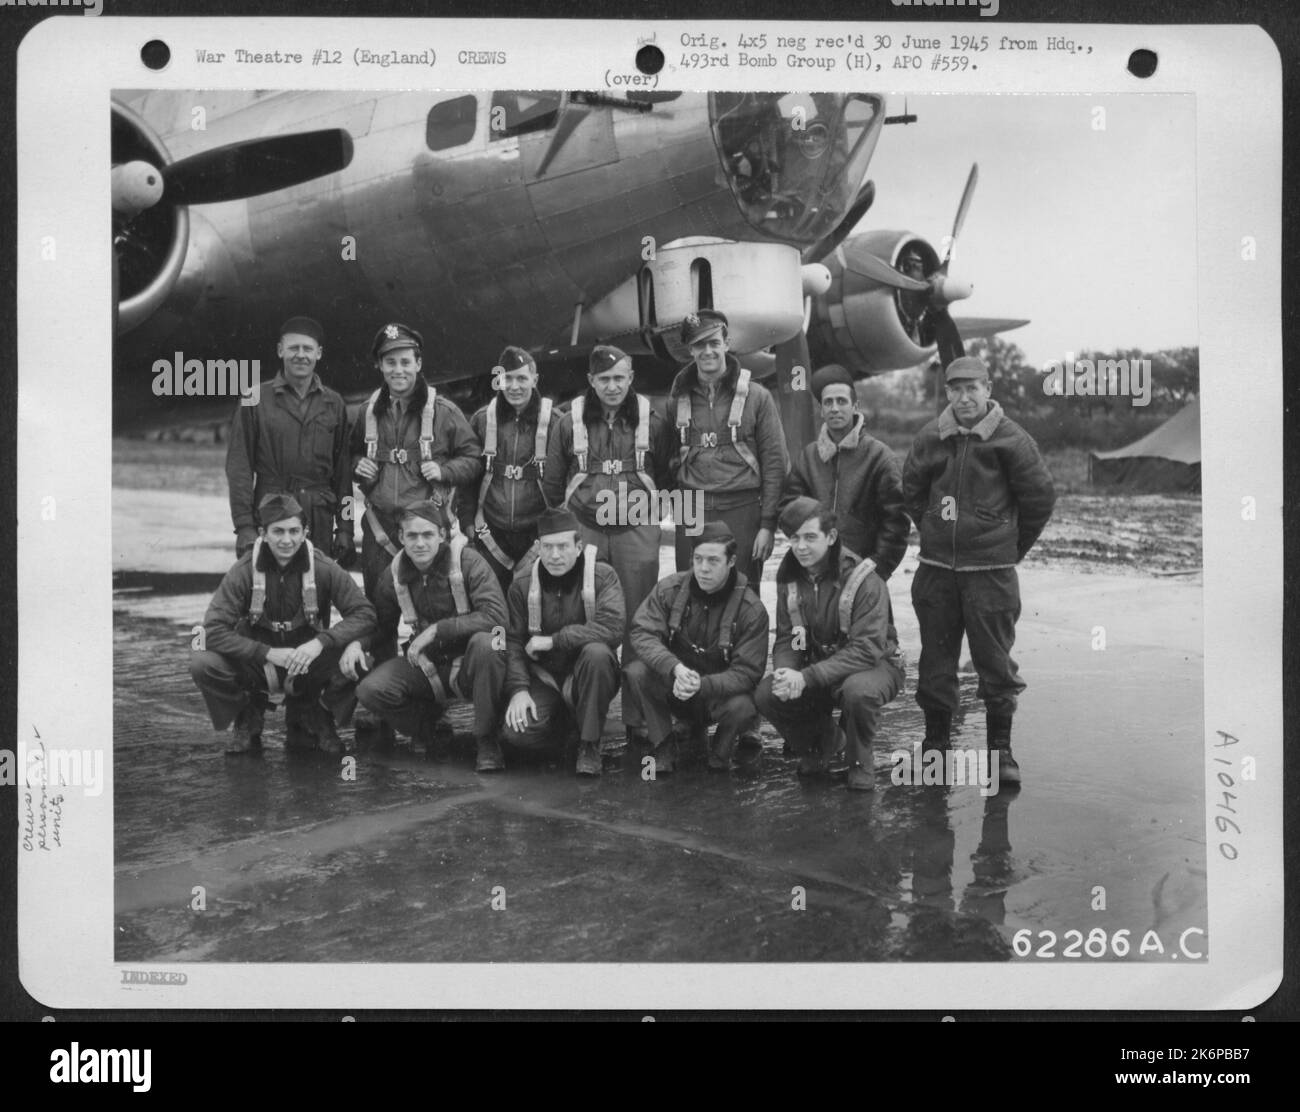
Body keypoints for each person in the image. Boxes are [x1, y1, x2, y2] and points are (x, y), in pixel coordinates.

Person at [901, 355, 1057, 784]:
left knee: (995, 664)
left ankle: (1000, 753)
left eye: (973, 388)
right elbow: (912, 492)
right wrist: (935, 529)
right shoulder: (931, 437)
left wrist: (1006, 546)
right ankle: (935, 749)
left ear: (989, 389)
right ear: (947, 393)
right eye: (956, 389)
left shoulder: (1012, 440)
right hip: (936, 572)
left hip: (991, 574)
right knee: (936, 662)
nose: (965, 397)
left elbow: (1039, 499)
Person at [190, 493, 376, 755]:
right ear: (262, 533)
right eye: (278, 531)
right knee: (202, 662)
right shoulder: (243, 571)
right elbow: (211, 631)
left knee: (362, 660)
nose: (287, 540)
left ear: (305, 532)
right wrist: (266, 653)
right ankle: (248, 712)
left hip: (307, 660)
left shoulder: (323, 568)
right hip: (257, 662)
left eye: (294, 531)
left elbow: (365, 614)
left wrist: (321, 642)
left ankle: (320, 712)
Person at [344, 499, 508, 770]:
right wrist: (357, 644)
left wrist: (437, 630)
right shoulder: (394, 573)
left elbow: (498, 619)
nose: (420, 543)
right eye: (412, 536)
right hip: (429, 665)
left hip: (471, 662)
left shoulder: (469, 561)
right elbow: (381, 626)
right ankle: (429, 731)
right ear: (401, 537)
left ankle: (486, 741)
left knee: (490, 644)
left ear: (442, 535)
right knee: (370, 689)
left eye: (428, 535)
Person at [754, 498, 904, 791]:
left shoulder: (866, 579)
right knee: (768, 692)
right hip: (820, 665)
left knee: (858, 692)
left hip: (874, 666)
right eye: (794, 538)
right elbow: (791, 637)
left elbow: (866, 649)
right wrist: (786, 671)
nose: (801, 547)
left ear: (831, 537)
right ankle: (821, 747)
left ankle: (860, 761)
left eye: (810, 537)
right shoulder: (790, 578)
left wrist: (807, 677)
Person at [543, 344, 676, 658]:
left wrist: (652, 521)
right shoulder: (567, 423)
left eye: (619, 378)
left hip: (636, 531)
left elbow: (669, 477)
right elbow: (551, 483)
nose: (612, 386)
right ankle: (588, 693)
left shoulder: (653, 422)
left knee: (639, 618)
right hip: (584, 528)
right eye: (604, 379)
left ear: (631, 377)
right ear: (591, 379)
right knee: (583, 612)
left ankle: (636, 700)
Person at [349, 322, 482, 598]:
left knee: (433, 609)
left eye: (406, 362)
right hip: (380, 527)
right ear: (380, 366)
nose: (398, 370)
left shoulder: (444, 412)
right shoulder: (367, 412)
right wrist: (357, 465)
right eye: (390, 362)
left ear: (418, 364)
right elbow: (351, 454)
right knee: (378, 613)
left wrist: (445, 471)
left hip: (427, 529)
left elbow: (473, 458)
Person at [624, 522, 770, 774]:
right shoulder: (669, 589)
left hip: (718, 697)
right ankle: (664, 745)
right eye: (698, 559)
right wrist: (675, 668)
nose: (703, 569)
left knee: (745, 706)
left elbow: (748, 673)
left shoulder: (752, 610)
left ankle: (720, 753)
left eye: (713, 561)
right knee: (636, 671)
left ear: (732, 561)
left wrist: (703, 685)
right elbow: (642, 632)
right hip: (677, 686)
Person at [501, 508, 626, 777]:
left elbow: (614, 628)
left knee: (597, 653)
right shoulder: (521, 584)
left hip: (587, 673)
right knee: (517, 735)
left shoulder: (603, 575)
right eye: (547, 547)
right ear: (538, 547)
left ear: (578, 546)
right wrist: (518, 690)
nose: (555, 555)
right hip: (544, 677)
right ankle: (566, 728)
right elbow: (511, 642)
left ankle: (590, 743)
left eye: (562, 547)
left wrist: (555, 640)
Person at [669, 309, 788, 585]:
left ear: (727, 343)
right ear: (690, 350)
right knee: (689, 589)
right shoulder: (677, 400)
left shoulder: (758, 398)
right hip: (691, 508)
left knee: (742, 590)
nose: (708, 351)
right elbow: (667, 459)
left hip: (741, 507)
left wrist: (768, 525)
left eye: (714, 342)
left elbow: (775, 464)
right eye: (699, 345)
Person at [225, 316, 354, 563]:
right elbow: (239, 468)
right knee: (270, 595)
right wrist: (244, 526)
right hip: (272, 515)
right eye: (293, 348)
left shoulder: (334, 403)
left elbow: (343, 475)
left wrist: (346, 527)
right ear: (280, 350)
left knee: (318, 594)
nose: (301, 355)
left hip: (319, 519)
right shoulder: (254, 398)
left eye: (308, 349)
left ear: (319, 353)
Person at [779, 363, 909, 580]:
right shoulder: (808, 457)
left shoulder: (880, 457)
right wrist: (808, 551)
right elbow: (788, 509)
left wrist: (877, 568)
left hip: (864, 572)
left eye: (842, 401)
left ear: (855, 406)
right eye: (828, 402)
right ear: (821, 410)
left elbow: (897, 522)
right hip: (813, 572)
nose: (835, 408)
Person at [468, 345, 561, 590]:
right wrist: (467, 522)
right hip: (491, 532)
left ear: (535, 380)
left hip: (538, 533)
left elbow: (565, 480)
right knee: (491, 605)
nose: (514, 386)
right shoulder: (481, 420)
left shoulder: (555, 423)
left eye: (522, 378)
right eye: (507, 379)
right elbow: (470, 476)